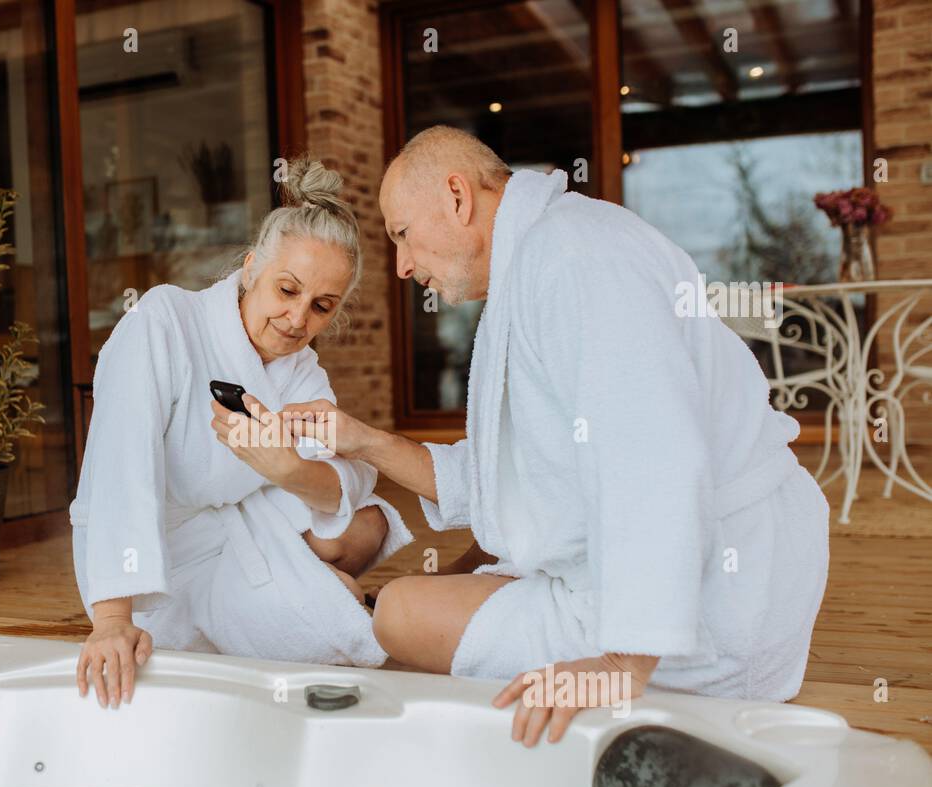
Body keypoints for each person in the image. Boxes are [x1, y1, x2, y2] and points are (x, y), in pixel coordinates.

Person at [285, 126, 830, 747]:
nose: (405, 266)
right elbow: (504, 475)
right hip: (674, 576)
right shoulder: (540, 259)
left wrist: (624, 661)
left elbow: (653, 454)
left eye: (403, 235)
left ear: (457, 198)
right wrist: (363, 441)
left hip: (715, 602)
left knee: (401, 614)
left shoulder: (576, 260)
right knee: (430, 589)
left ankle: (651, 666)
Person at [70, 157, 413, 708]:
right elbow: (119, 464)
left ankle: (300, 578)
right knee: (344, 607)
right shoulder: (166, 322)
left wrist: (288, 469)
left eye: (321, 306)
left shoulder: (301, 370)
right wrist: (112, 618)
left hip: (241, 531)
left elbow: (348, 476)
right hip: (166, 557)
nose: (298, 319)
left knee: (364, 525)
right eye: (287, 289)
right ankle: (279, 592)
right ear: (251, 266)